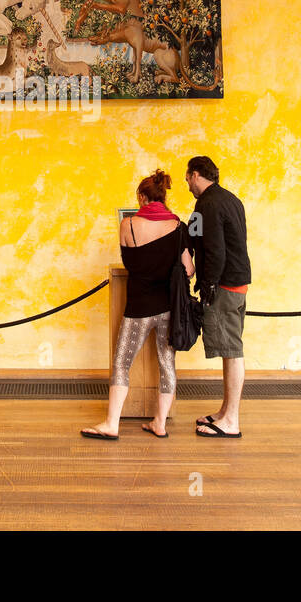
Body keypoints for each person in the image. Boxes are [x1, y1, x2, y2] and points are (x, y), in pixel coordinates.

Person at [81, 170, 193, 440]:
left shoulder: (128, 225)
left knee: (121, 363)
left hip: (139, 307)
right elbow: (188, 270)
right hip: (168, 307)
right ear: (163, 196)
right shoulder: (179, 227)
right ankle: (160, 424)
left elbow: (130, 264)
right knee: (167, 365)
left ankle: (111, 424)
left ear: (142, 197)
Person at [186, 156, 251, 439]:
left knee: (232, 350)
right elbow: (195, 233)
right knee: (228, 348)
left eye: (188, 178)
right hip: (235, 280)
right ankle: (225, 413)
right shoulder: (229, 199)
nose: (187, 184)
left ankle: (231, 422)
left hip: (224, 284)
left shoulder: (209, 203)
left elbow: (215, 249)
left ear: (196, 174)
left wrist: (208, 284)